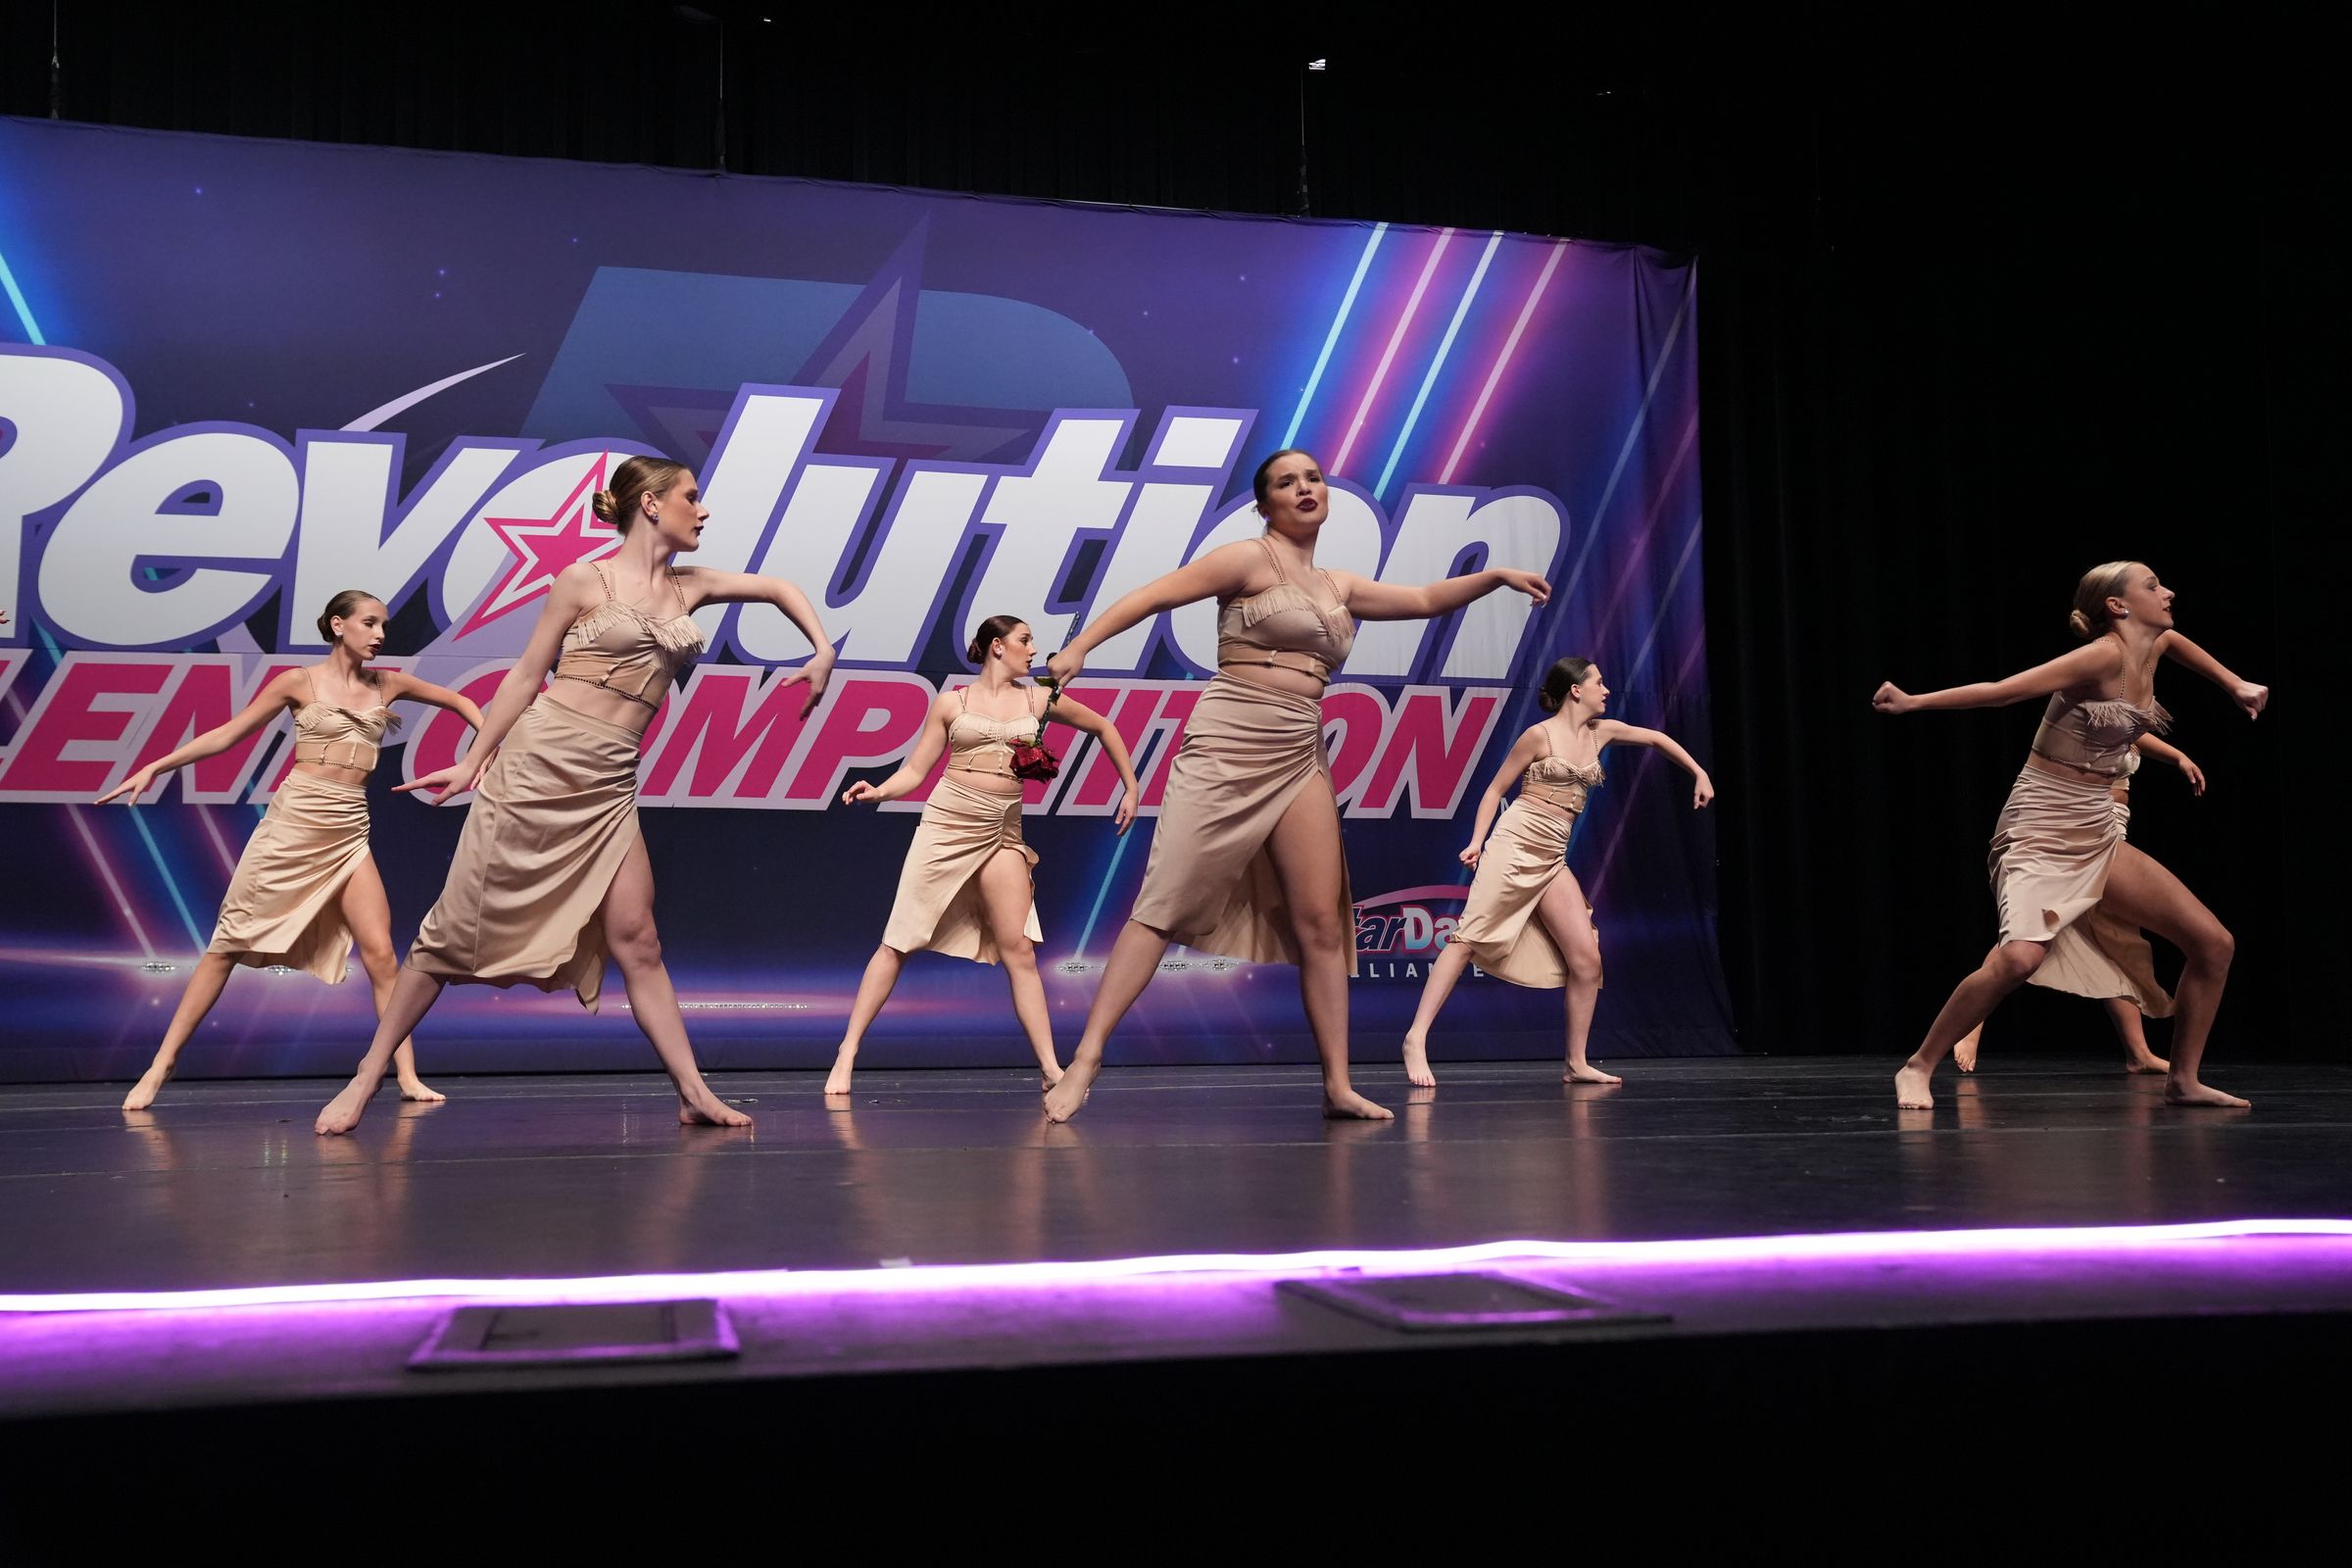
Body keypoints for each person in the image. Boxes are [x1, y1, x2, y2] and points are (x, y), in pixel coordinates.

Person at [313, 454, 835, 1135]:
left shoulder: (693, 586)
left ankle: (692, 1092)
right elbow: (527, 675)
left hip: (611, 779)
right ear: (651, 504)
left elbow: (780, 587)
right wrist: (474, 759)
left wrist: (821, 649)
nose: (703, 510)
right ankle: (367, 1074)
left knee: (638, 940)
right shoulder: (585, 579)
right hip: (539, 765)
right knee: (449, 934)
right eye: (691, 496)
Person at [1039, 448, 1550, 1122]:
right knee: (1165, 899)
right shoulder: (1247, 559)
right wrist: (1080, 647)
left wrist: (1495, 576)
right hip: (1230, 735)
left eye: (1313, 478)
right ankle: (1086, 1060)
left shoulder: (1338, 585)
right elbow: (1153, 595)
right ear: (1265, 504)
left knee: (1320, 922)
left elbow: (1426, 600)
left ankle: (1337, 1085)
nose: (1305, 488)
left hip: (1299, 745)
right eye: (1287, 482)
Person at [1872, 561, 2266, 1110]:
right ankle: (1918, 1066)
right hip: (2040, 824)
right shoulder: (2100, 656)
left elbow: (2179, 645)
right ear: (2118, 606)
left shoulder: (2153, 646)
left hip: (2096, 824)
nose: (2168, 592)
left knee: (2213, 943)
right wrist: (1913, 702)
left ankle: (2183, 1081)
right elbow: (2002, 692)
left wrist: (2235, 684)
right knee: (2019, 960)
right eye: (2153, 586)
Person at [94, 591, 484, 1110]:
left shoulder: (387, 684)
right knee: (227, 945)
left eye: (384, 626)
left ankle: (406, 1075)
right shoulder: (298, 682)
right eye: (369, 623)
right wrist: (155, 767)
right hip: (293, 825)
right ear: (338, 625)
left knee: (382, 955)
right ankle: (161, 1064)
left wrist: (484, 749)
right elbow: (227, 735)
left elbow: (460, 701)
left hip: (349, 829)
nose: (379, 635)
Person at [830, 614, 1142, 1096]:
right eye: (1025, 640)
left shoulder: (1038, 698)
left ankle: (1050, 1068)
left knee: (1020, 950)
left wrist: (1131, 787)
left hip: (1002, 831)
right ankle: (847, 1051)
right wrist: (880, 791)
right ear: (997, 646)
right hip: (947, 826)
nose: (1033, 650)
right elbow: (916, 770)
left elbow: (1103, 727)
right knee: (899, 941)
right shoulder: (951, 702)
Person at [1398, 656, 1712, 1089]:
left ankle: (1576, 1063)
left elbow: (1656, 739)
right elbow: (1495, 790)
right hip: (1515, 844)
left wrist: (1699, 772)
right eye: (1599, 682)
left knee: (1587, 960)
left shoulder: (1602, 732)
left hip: (1551, 855)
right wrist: (1476, 841)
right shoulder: (1538, 735)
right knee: (1469, 937)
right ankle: (1415, 1037)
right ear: (1576, 690)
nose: (1607, 689)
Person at [1951, 732, 2205, 1076]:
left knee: (2113, 934)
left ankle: (2139, 1053)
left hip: (2113, 826)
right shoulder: (2083, 714)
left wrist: (2177, 757)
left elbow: (2137, 734)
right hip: (2077, 827)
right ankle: (1971, 1024)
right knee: (2040, 924)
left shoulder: (2126, 717)